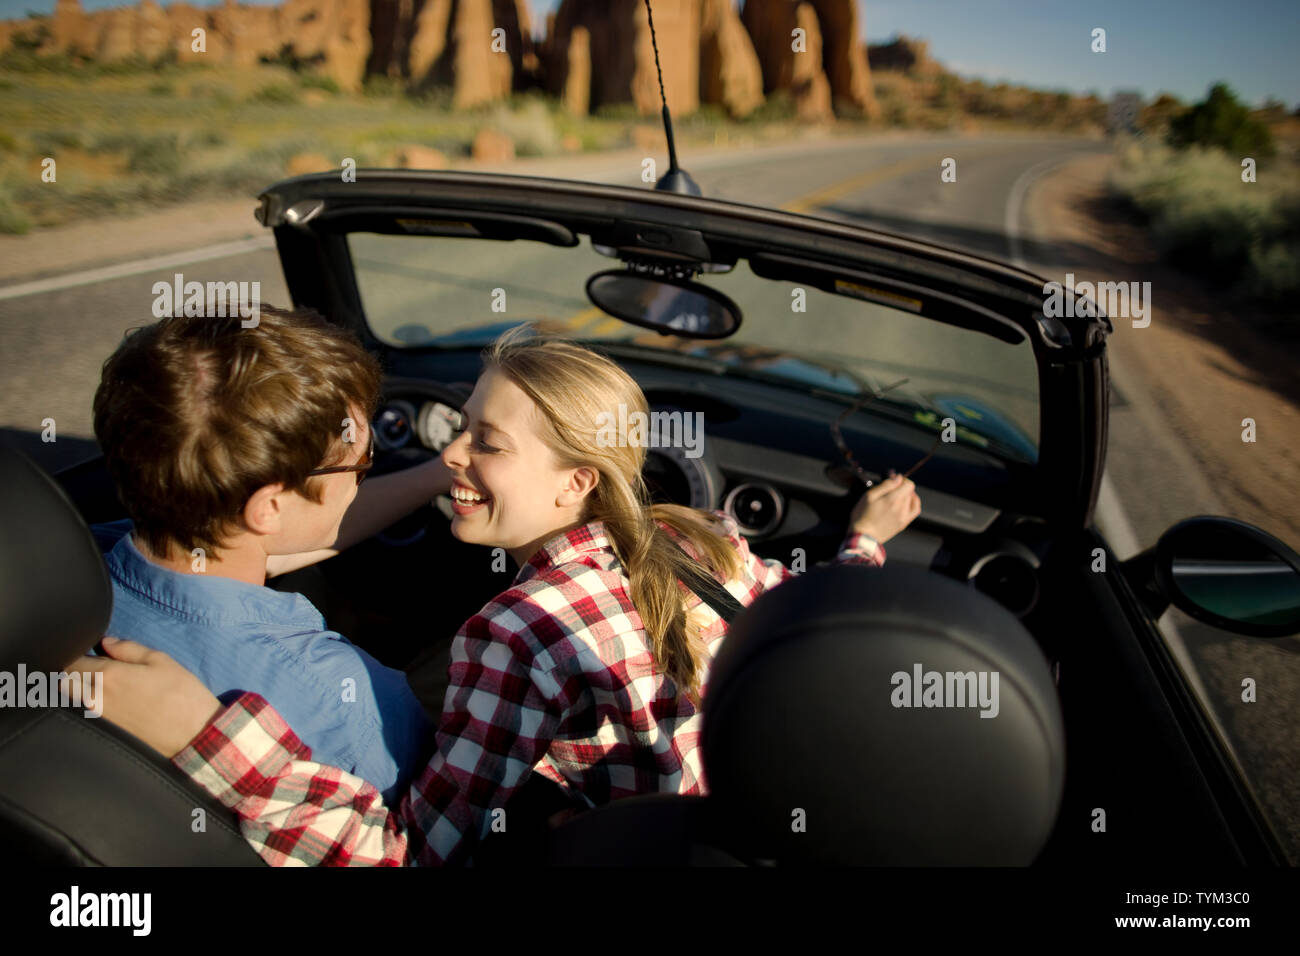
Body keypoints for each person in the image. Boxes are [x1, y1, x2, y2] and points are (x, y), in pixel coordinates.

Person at [84, 326, 922, 866]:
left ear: (576, 484)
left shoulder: (516, 630)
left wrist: (211, 738)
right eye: (461, 430)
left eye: (485, 442)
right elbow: (811, 620)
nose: (450, 457)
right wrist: (866, 538)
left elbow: (416, 852)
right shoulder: (698, 537)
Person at [89, 307, 451, 803]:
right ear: (270, 507)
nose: (364, 473)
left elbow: (282, 541)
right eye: (362, 463)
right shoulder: (344, 700)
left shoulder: (84, 558)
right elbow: (410, 838)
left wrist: (438, 472)